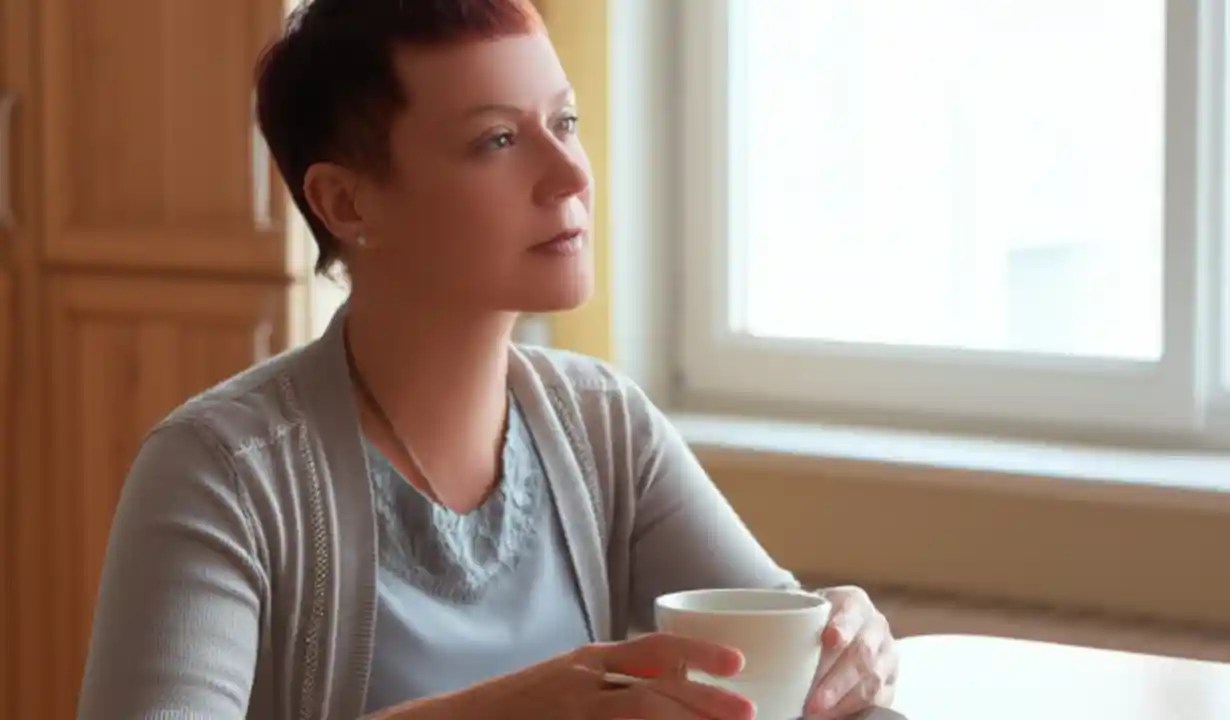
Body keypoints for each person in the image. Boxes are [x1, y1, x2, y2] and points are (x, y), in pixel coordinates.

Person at [76, 1, 897, 718]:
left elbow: (781, 650)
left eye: (565, 123)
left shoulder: (605, 423)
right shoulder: (220, 472)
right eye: (498, 139)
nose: (571, 173)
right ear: (346, 201)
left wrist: (841, 639)